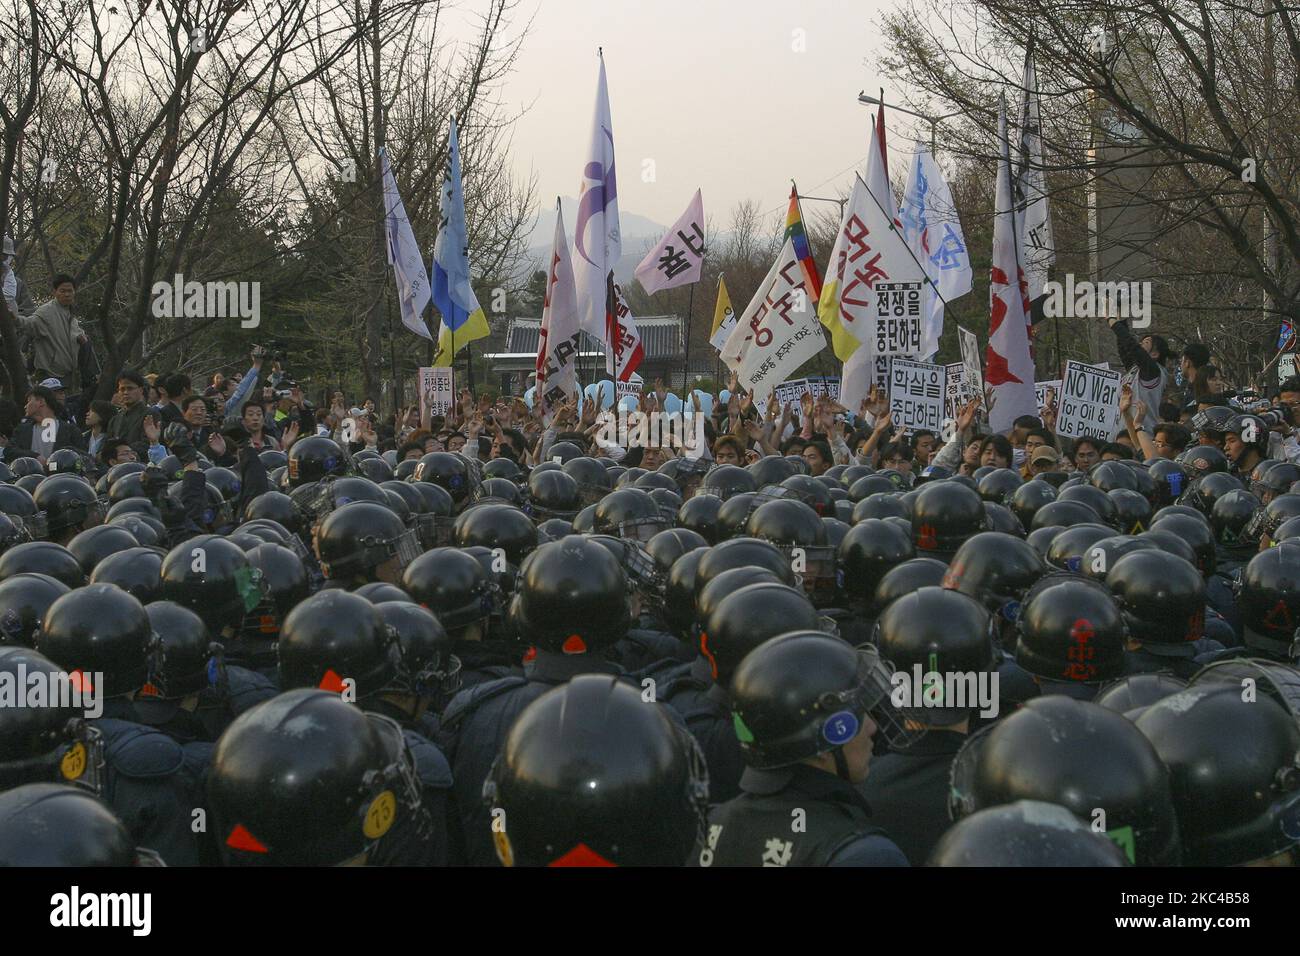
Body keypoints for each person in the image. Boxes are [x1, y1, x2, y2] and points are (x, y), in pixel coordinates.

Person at [697, 632, 910, 867]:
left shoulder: (706, 828)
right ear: (820, 744)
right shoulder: (865, 855)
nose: (872, 727)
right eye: (858, 715)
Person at [19, 274, 86, 392]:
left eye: (70, 291)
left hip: (68, 373)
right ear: (55, 291)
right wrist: (14, 318)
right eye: (63, 291)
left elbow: (74, 332)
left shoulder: (70, 312)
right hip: (49, 373)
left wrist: (81, 336)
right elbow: (30, 323)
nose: (67, 294)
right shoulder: (46, 311)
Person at [103, 369, 150, 458]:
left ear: (141, 390)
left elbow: (147, 444)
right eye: (122, 389)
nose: (126, 393)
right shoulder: (115, 419)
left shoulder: (150, 414)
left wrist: (122, 451)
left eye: (130, 388)